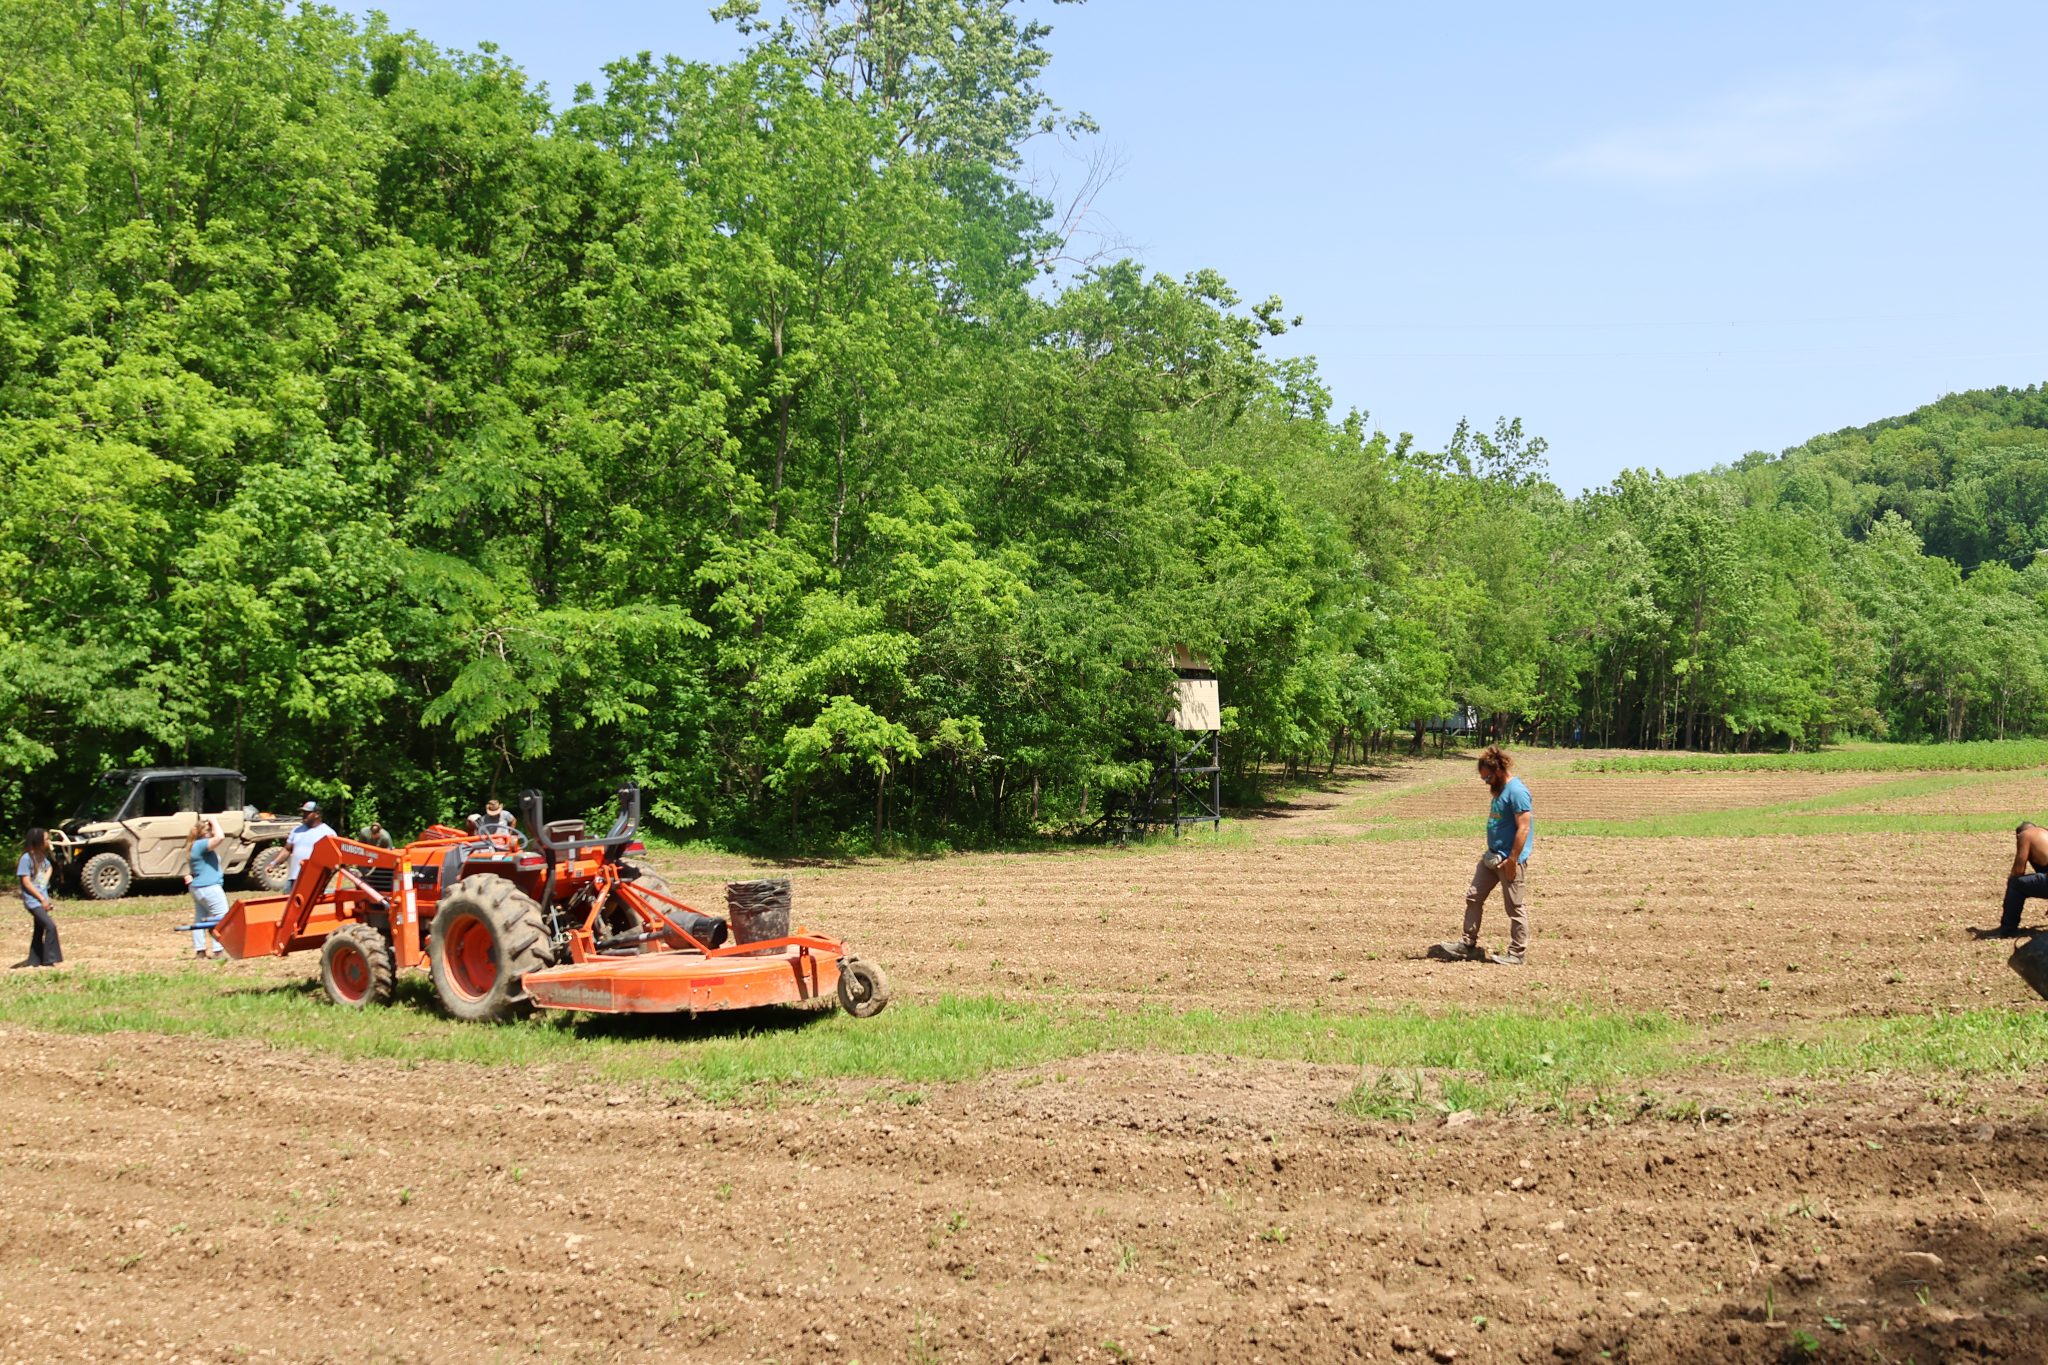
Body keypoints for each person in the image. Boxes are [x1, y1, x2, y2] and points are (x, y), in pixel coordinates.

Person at [1429, 745, 1534, 966]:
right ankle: (1468, 945)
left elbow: (1523, 828)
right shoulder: (1500, 790)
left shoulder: (1517, 791)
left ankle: (1517, 954)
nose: (1486, 782)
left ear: (1498, 770)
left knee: (1514, 907)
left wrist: (1513, 860)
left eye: (1487, 778)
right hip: (1492, 857)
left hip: (1509, 860)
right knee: (1473, 897)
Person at [14, 828, 62, 969]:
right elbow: (26, 882)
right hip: (32, 901)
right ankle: (49, 960)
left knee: (39, 929)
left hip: (41, 900)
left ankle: (34, 960)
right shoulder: (26, 858)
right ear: (38, 841)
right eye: (46, 839)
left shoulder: (42, 857)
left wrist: (45, 891)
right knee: (50, 926)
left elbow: (46, 873)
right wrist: (41, 898)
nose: (48, 841)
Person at [183, 816, 229, 959]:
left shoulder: (194, 846)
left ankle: (200, 950)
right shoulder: (202, 844)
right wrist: (214, 820)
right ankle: (218, 950)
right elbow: (221, 837)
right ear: (205, 832)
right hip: (210, 887)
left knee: (200, 920)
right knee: (222, 918)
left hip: (198, 888)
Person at [1994, 821, 2048, 938]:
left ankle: (2008, 930)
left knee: (2015, 884)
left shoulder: (2025, 835)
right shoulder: (2045, 833)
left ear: (2018, 836)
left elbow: (2018, 870)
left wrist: (2011, 878)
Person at [284, 801, 336, 890]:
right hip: (294, 878)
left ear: (317, 814)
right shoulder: (296, 830)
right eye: (303, 813)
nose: (303, 815)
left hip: (312, 879)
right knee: (285, 902)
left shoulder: (328, 833)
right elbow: (287, 849)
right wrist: (273, 863)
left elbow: (333, 858)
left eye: (307, 813)